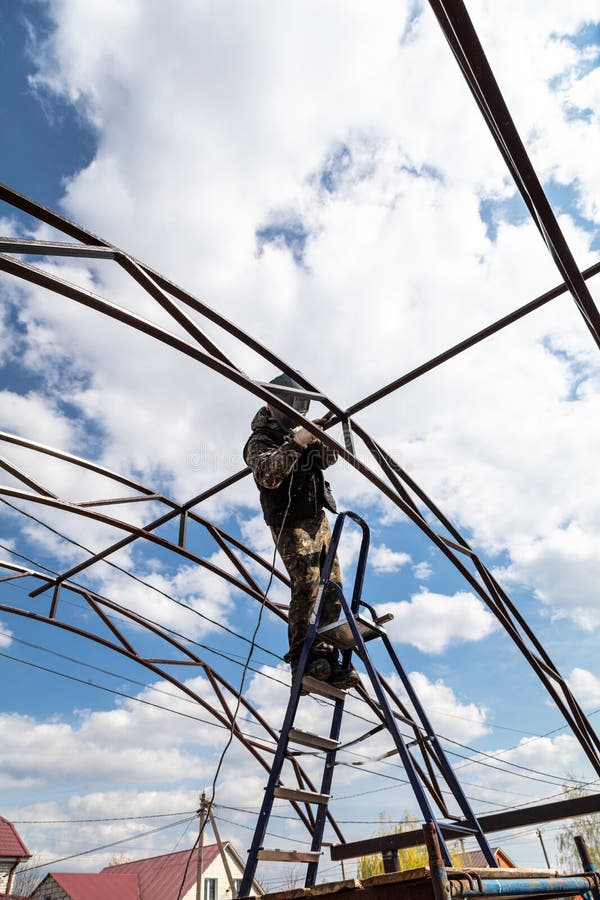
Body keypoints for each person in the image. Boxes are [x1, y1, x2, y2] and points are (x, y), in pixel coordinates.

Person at [243, 373, 359, 689]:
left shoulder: (299, 430)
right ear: (273, 403)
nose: (298, 409)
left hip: (316, 516)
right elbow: (268, 475)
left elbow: (328, 459)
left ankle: (326, 658)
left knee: (331, 586)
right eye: (293, 403)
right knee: (307, 582)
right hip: (288, 520)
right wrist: (296, 442)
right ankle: (302, 659)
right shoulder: (260, 440)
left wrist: (319, 437)